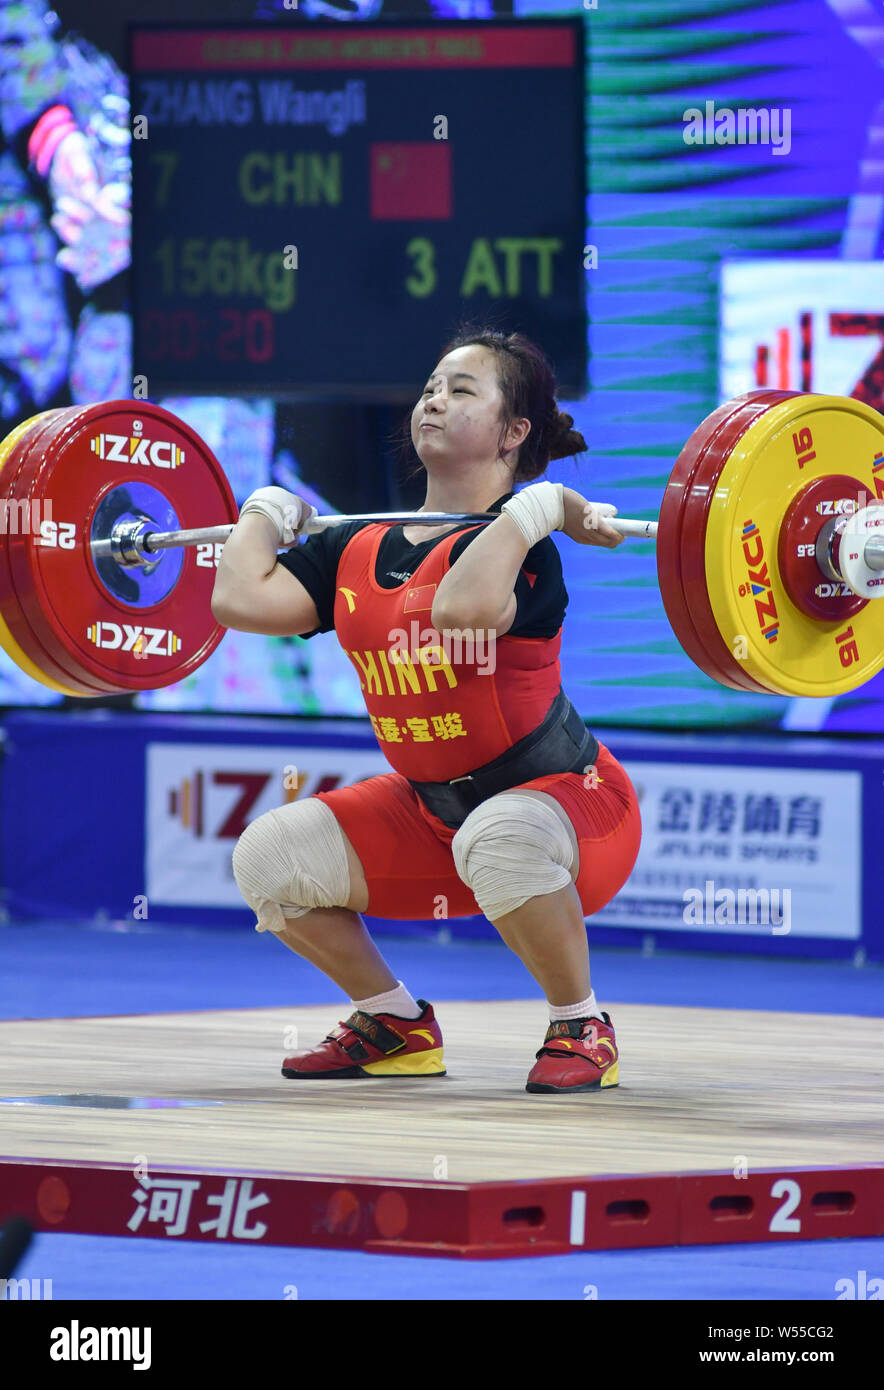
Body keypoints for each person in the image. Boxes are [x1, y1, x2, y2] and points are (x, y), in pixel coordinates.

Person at [212, 328, 642, 1093]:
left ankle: (582, 1025)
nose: (434, 400)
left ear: (514, 433)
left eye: (462, 390)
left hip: (569, 811)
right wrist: (261, 514)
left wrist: (532, 512)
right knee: (269, 859)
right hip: (432, 817)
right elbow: (239, 598)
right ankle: (393, 1024)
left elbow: (461, 608)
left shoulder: (525, 548)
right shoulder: (353, 544)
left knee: (499, 834)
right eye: (431, 388)